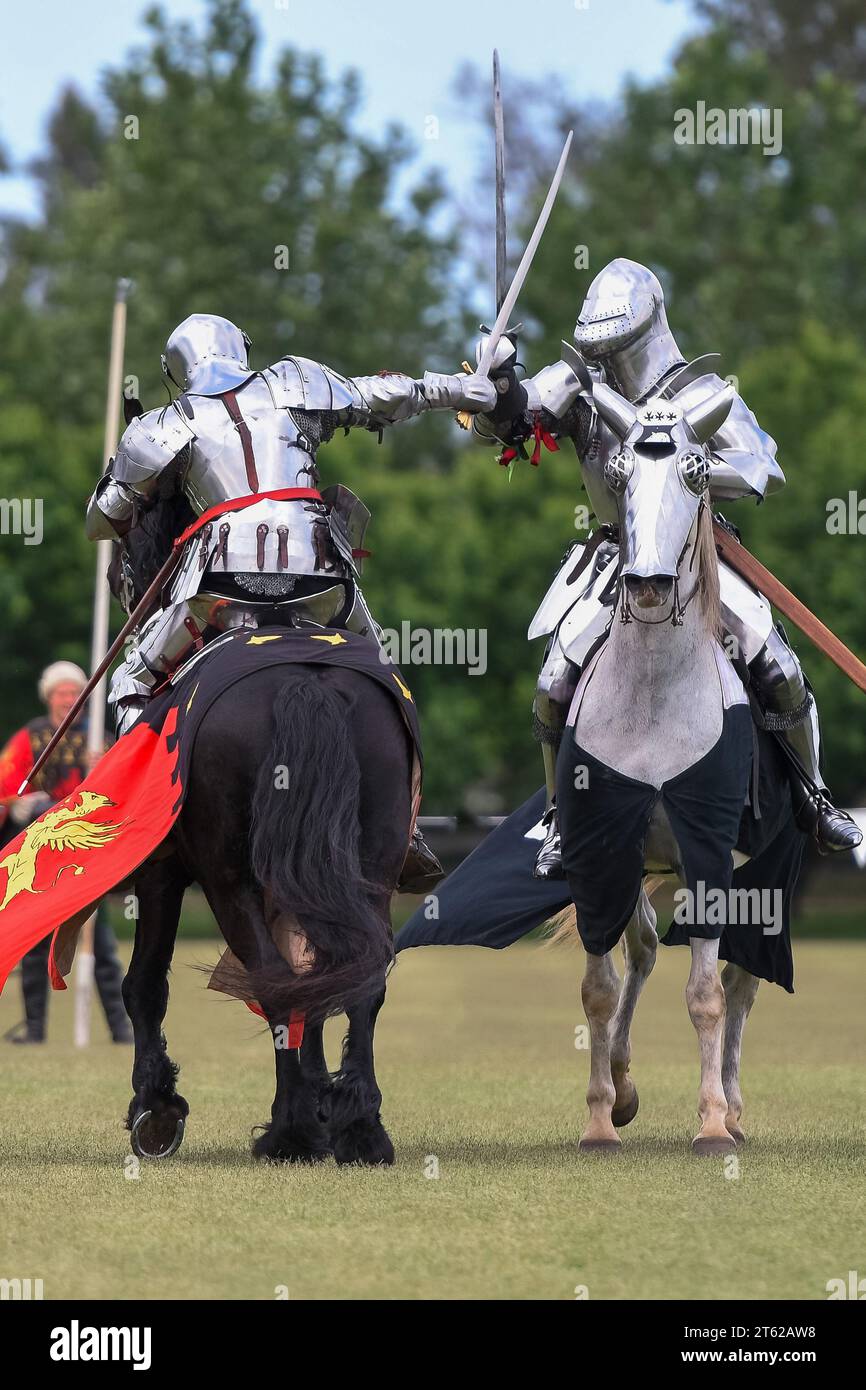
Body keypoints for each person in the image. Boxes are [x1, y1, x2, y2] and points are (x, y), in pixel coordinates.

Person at [471, 257, 862, 877]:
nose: (611, 359)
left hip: (696, 555)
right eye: (603, 348)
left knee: (776, 662)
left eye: (619, 345)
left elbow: (765, 467)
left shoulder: (701, 394)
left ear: (646, 329)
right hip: (611, 559)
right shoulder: (581, 387)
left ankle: (813, 796)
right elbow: (511, 426)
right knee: (552, 684)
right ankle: (556, 817)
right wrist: (497, 379)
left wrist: (707, 473)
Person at [86, 313, 496, 889]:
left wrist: (131, 475)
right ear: (240, 349)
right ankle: (406, 830)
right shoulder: (292, 381)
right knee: (385, 677)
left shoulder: (165, 423)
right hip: (321, 576)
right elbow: (379, 396)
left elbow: (103, 519)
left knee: (130, 679)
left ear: (177, 369)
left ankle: (141, 824)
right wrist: (459, 389)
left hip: (220, 588)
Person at [0, 661, 132, 1043]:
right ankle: (36, 1029)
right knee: (37, 944)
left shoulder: (102, 741)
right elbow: (8, 786)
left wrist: (105, 767)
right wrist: (22, 804)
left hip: (85, 860)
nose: (68, 700)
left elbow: (121, 792)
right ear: (49, 697)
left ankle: (121, 1029)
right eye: (62, 694)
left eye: (75, 694)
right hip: (42, 858)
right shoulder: (33, 737)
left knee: (102, 944)